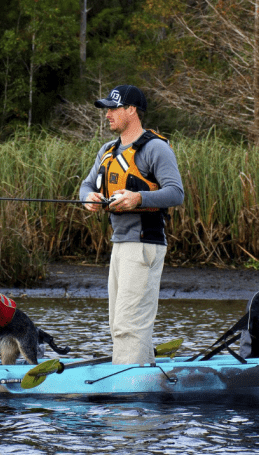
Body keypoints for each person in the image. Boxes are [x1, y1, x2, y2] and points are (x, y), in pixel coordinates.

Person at [78, 85, 184, 365]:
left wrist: (138, 198)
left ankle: (129, 399)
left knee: (128, 325)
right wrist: (87, 197)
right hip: (121, 245)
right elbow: (86, 185)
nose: (108, 115)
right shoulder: (107, 150)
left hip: (145, 245)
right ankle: (143, 377)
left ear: (132, 110)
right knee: (118, 323)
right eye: (106, 109)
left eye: (113, 109)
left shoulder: (156, 148)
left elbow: (176, 193)